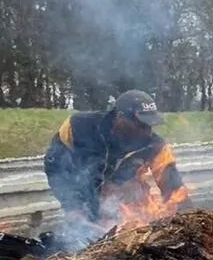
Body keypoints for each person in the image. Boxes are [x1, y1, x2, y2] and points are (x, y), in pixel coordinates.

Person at [42, 90, 191, 232]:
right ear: (120, 117)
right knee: (84, 240)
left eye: (150, 125)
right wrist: (72, 207)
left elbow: (173, 185)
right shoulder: (79, 126)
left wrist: (190, 218)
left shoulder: (155, 145)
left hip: (123, 203)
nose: (147, 131)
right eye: (141, 124)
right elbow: (54, 164)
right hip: (85, 199)